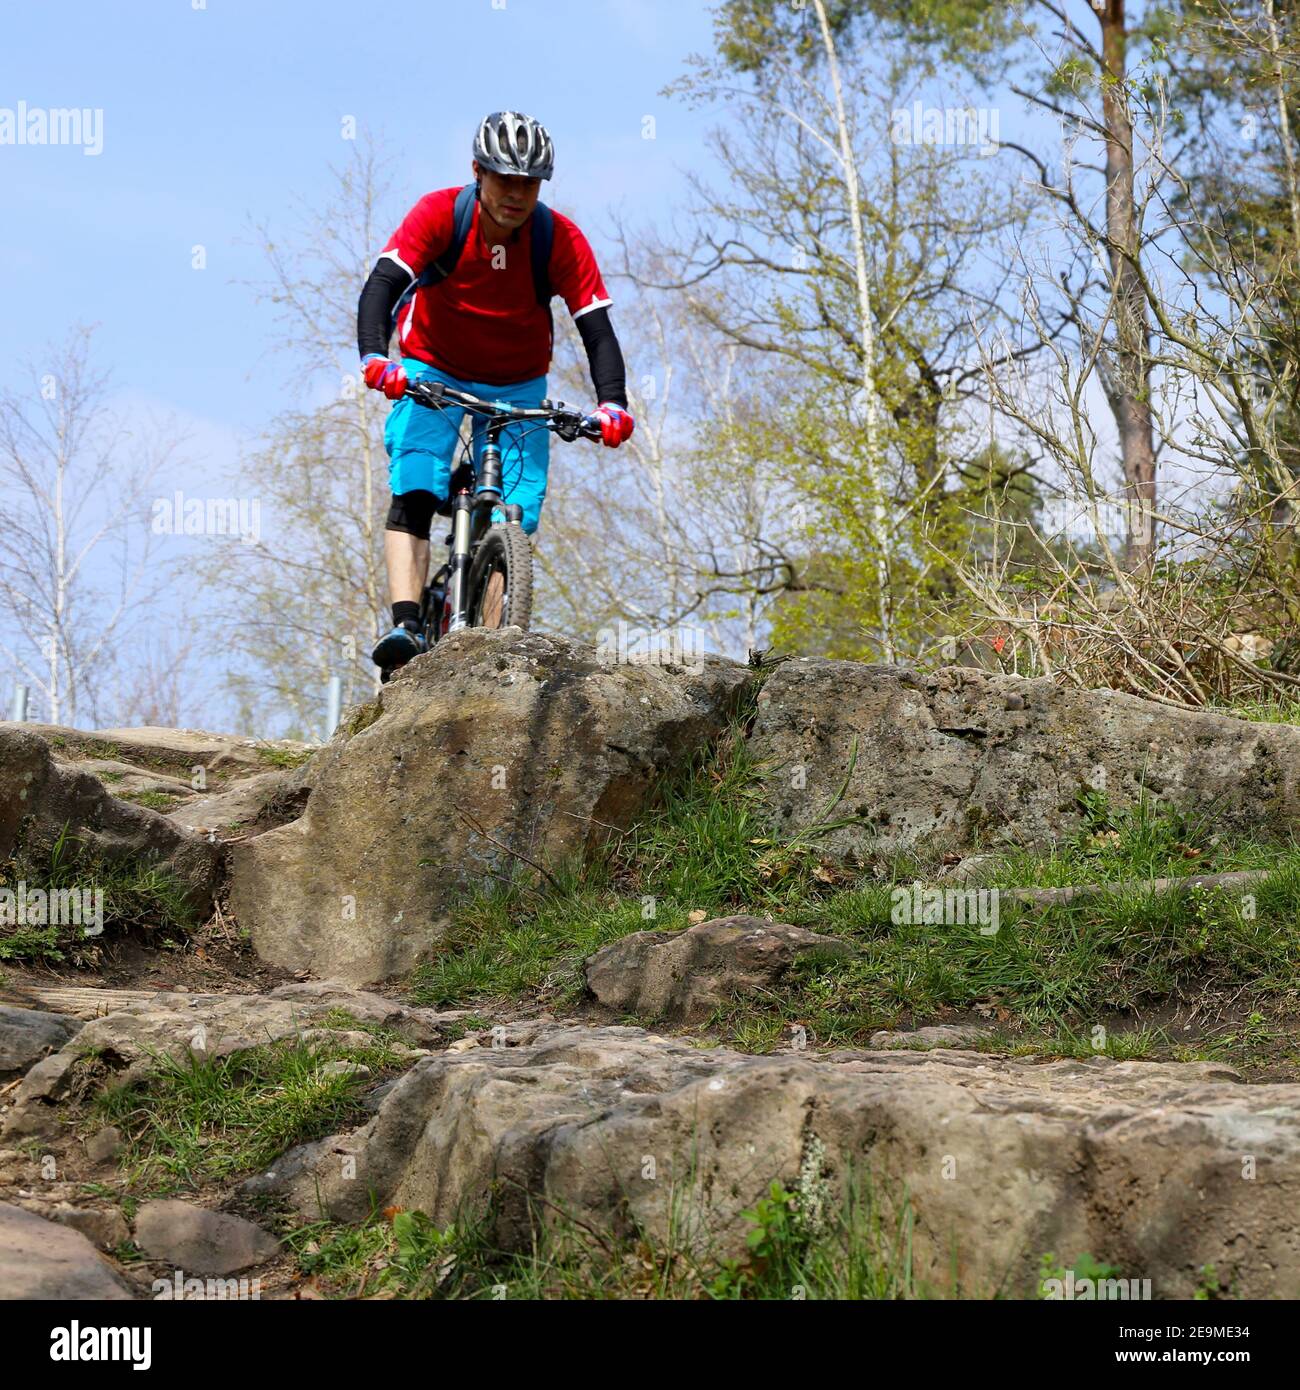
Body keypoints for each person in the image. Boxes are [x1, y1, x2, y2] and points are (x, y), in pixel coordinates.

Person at [356, 110, 634, 672]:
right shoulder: (441, 214)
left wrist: (614, 404)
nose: (516, 194)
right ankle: (408, 625)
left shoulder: (558, 239)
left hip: (518, 383)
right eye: (504, 178)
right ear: (478, 172)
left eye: (528, 183)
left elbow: (597, 329)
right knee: (415, 481)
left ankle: (484, 645)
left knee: (518, 513)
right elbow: (382, 286)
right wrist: (376, 358)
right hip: (432, 367)